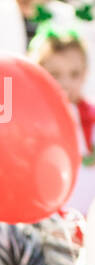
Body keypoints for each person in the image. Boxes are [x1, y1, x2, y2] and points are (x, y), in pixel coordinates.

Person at [29, 23, 95, 217]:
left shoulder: (91, 117)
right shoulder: (31, 119)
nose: (65, 83)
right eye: (55, 74)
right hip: (45, 220)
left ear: (85, 74)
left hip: (86, 222)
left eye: (74, 74)